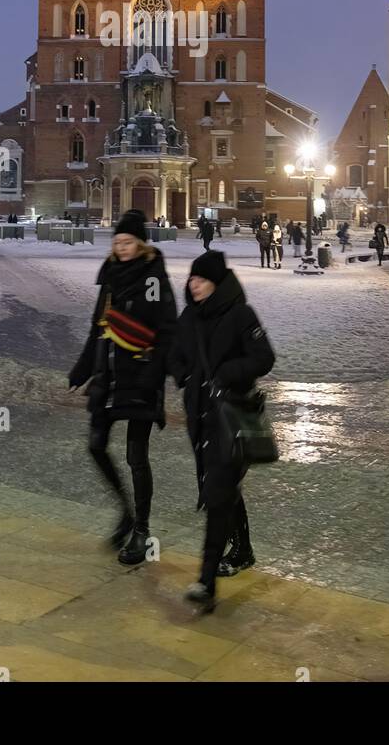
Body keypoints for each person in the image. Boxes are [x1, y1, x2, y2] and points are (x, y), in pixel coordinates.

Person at [68, 209, 177, 563]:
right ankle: (126, 511)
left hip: (141, 376)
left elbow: (167, 328)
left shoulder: (153, 277)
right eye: (117, 242)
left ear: (141, 244)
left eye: (127, 241)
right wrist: (82, 369)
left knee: (136, 455)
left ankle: (142, 531)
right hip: (109, 374)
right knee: (96, 445)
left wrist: (157, 371)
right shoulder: (111, 277)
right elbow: (96, 326)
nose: (121, 247)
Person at [170, 250, 275, 612]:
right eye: (191, 279)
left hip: (231, 417)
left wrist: (227, 374)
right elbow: (175, 353)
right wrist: (181, 372)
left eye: (200, 279)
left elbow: (265, 358)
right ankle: (242, 549)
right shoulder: (189, 317)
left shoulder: (240, 315)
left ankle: (206, 580)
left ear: (216, 282)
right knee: (220, 489)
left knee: (216, 494)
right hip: (199, 419)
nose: (192, 284)